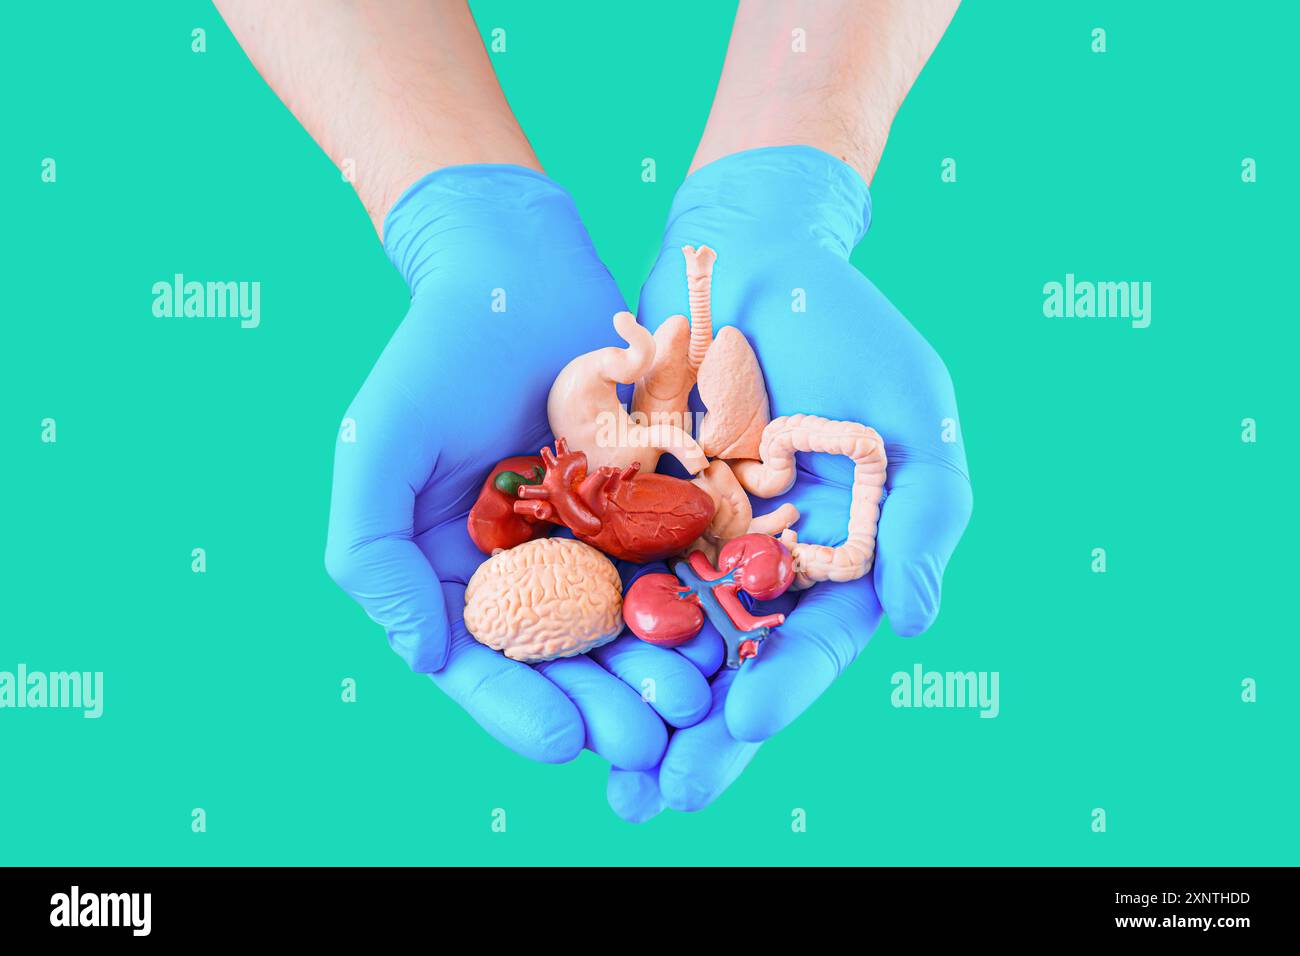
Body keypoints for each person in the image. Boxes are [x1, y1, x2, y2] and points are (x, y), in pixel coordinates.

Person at [214, 0, 970, 821]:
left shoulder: (699, 471)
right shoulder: (617, 476)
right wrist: (467, 220)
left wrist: (785, 195)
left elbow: (695, 472)